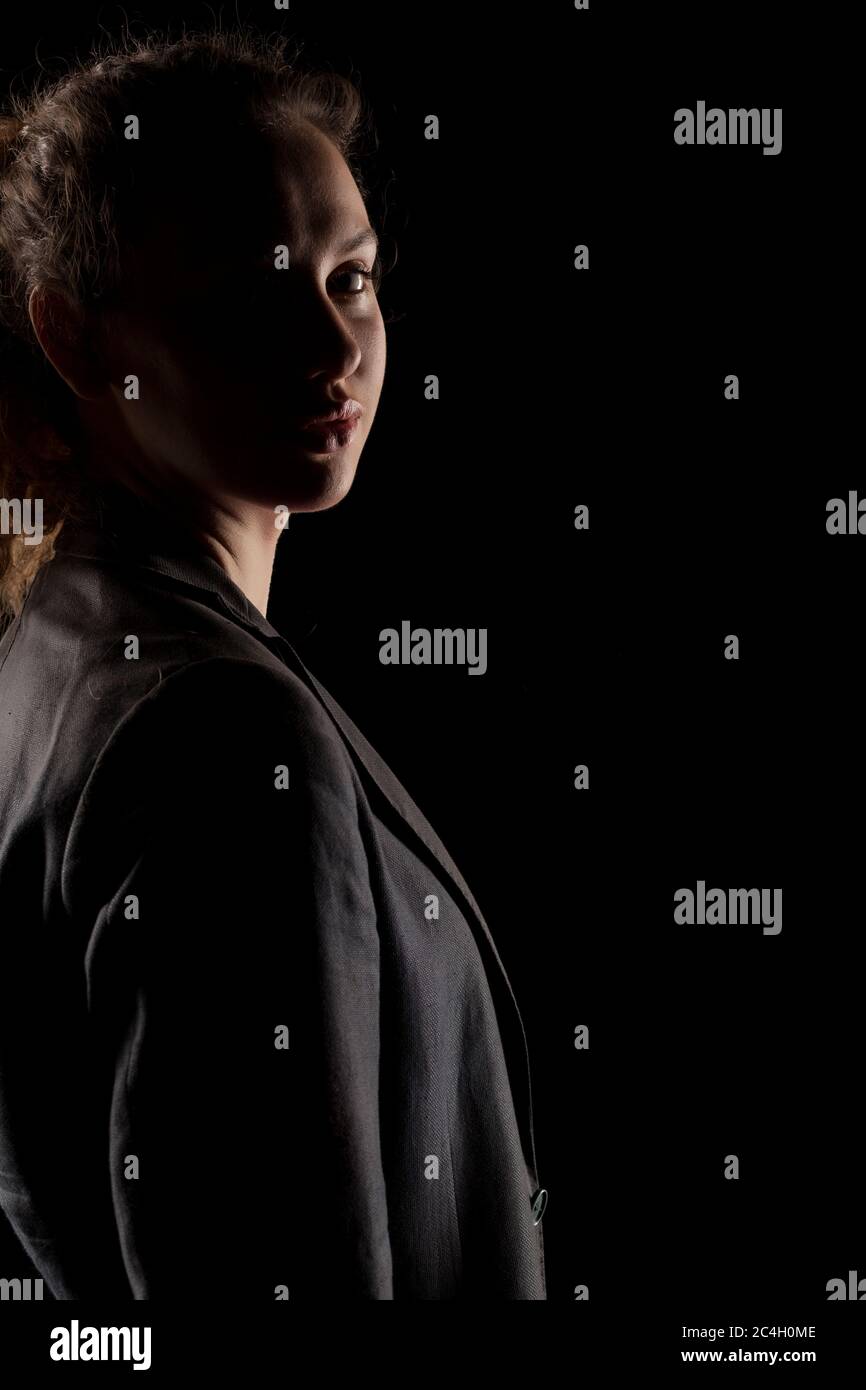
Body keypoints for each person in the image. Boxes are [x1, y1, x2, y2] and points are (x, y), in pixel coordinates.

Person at [0, 28, 547, 1300]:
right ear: (78, 342)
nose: (332, 343)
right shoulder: (223, 732)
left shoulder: (51, 655)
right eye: (256, 288)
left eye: (349, 276)